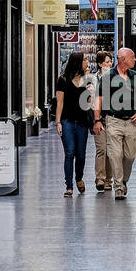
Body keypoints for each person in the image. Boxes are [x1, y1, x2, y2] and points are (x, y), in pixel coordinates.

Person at [93, 47, 136, 201]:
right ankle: (119, 186)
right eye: (132, 57)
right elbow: (99, 99)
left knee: (130, 156)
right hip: (113, 120)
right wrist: (97, 120)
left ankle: (124, 180)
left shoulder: (135, 76)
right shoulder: (108, 77)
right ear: (123, 59)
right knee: (115, 155)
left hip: (130, 121)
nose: (135, 59)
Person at [54, 50, 93, 197]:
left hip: (82, 122)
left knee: (81, 155)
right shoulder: (63, 80)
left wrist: (90, 93)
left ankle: (79, 178)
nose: (87, 62)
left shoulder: (87, 80)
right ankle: (69, 186)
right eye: (84, 60)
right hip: (67, 121)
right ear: (77, 62)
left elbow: (89, 104)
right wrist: (58, 122)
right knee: (69, 153)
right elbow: (60, 103)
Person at [91, 51, 113, 192]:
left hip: (111, 117)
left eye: (111, 62)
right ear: (100, 64)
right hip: (98, 118)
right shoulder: (93, 79)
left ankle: (107, 180)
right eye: (107, 62)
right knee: (101, 149)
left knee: (111, 150)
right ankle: (100, 178)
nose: (110, 64)